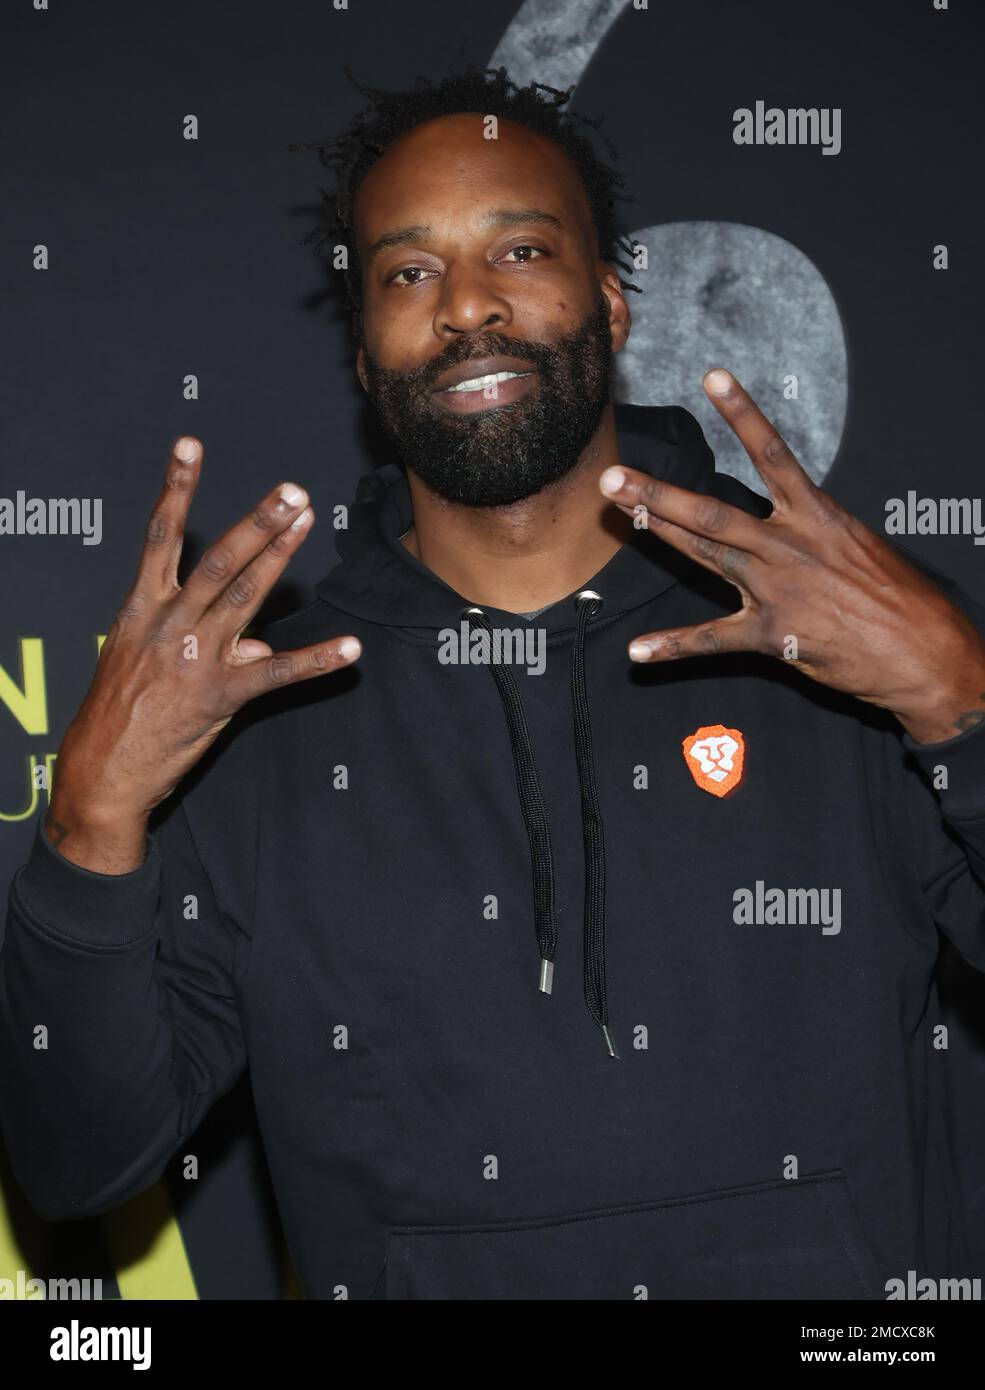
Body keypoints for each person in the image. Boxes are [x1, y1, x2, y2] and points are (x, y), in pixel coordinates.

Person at [3, 63, 985, 1302]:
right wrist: (91, 823)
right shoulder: (260, 712)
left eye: (518, 250)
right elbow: (77, 1161)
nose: (466, 307)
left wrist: (964, 702)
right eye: (408, 273)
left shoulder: (853, 631)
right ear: (365, 353)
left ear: (615, 306)